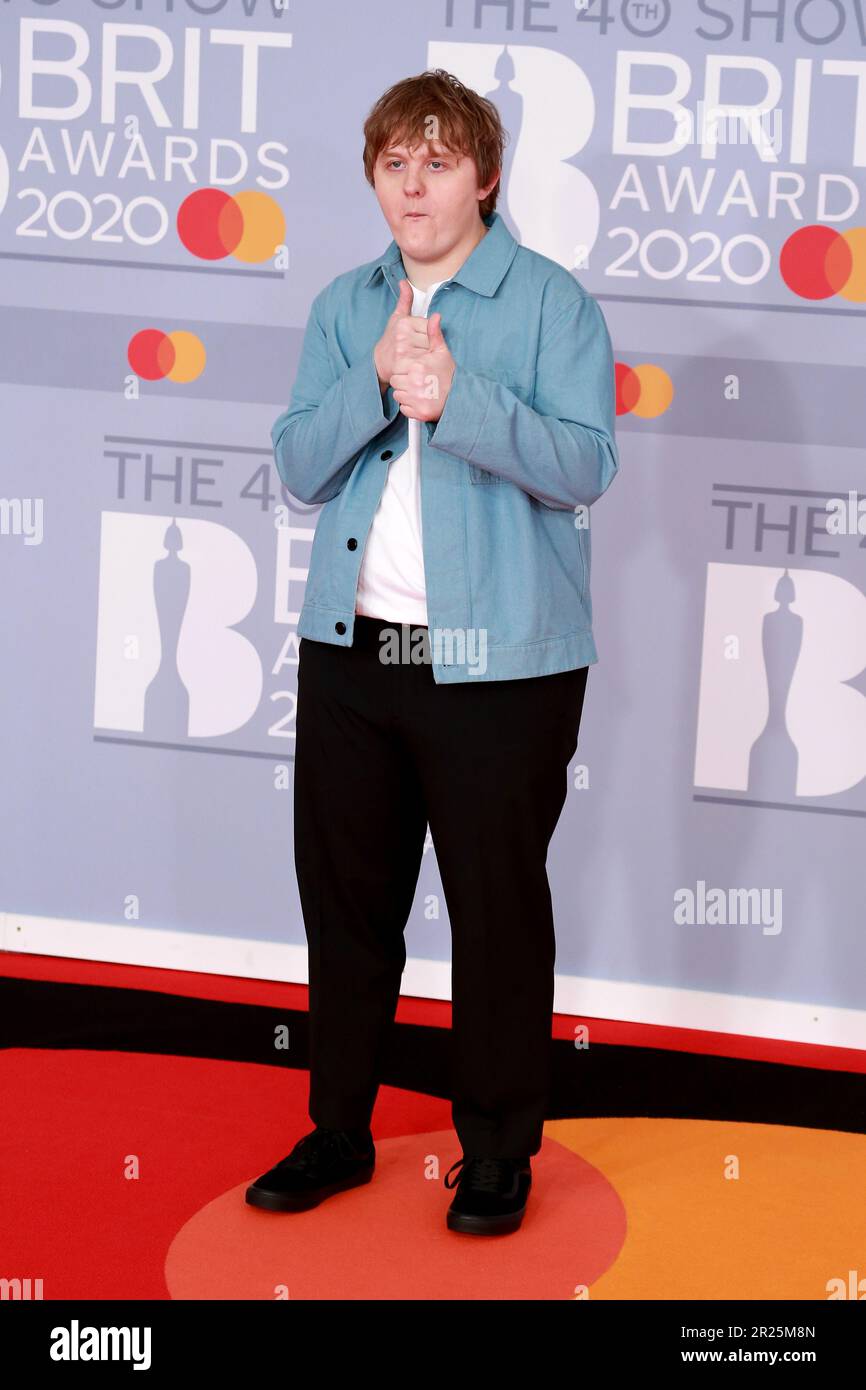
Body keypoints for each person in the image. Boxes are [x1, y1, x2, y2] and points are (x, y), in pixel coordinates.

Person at [246, 69, 619, 1236]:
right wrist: (374, 381)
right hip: (353, 656)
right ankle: (337, 1132)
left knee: (494, 913)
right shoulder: (343, 306)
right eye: (393, 163)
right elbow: (299, 464)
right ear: (373, 177)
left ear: (485, 176)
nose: (413, 184)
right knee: (346, 909)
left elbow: (585, 466)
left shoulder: (550, 303)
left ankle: (497, 1154)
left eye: (438, 161)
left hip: (499, 666)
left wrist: (458, 398)